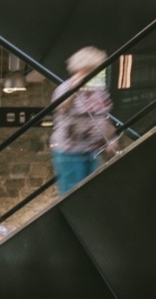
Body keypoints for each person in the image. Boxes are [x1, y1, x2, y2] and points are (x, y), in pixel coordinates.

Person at [50, 46, 116, 193]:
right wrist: (74, 90)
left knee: (91, 193)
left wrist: (111, 140)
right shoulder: (65, 89)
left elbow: (105, 118)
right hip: (70, 152)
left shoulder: (99, 91)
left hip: (92, 151)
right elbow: (62, 108)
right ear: (81, 69)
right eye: (92, 69)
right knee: (72, 193)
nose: (96, 73)